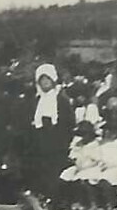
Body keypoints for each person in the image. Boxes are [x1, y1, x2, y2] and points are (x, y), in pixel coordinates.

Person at [19, 63, 75, 201]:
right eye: (41, 80)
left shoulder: (61, 100)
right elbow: (29, 120)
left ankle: (55, 200)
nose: (45, 82)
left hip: (56, 142)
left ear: (53, 80)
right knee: (40, 171)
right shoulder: (36, 100)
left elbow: (68, 122)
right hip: (39, 141)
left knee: (54, 172)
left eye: (47, 79)